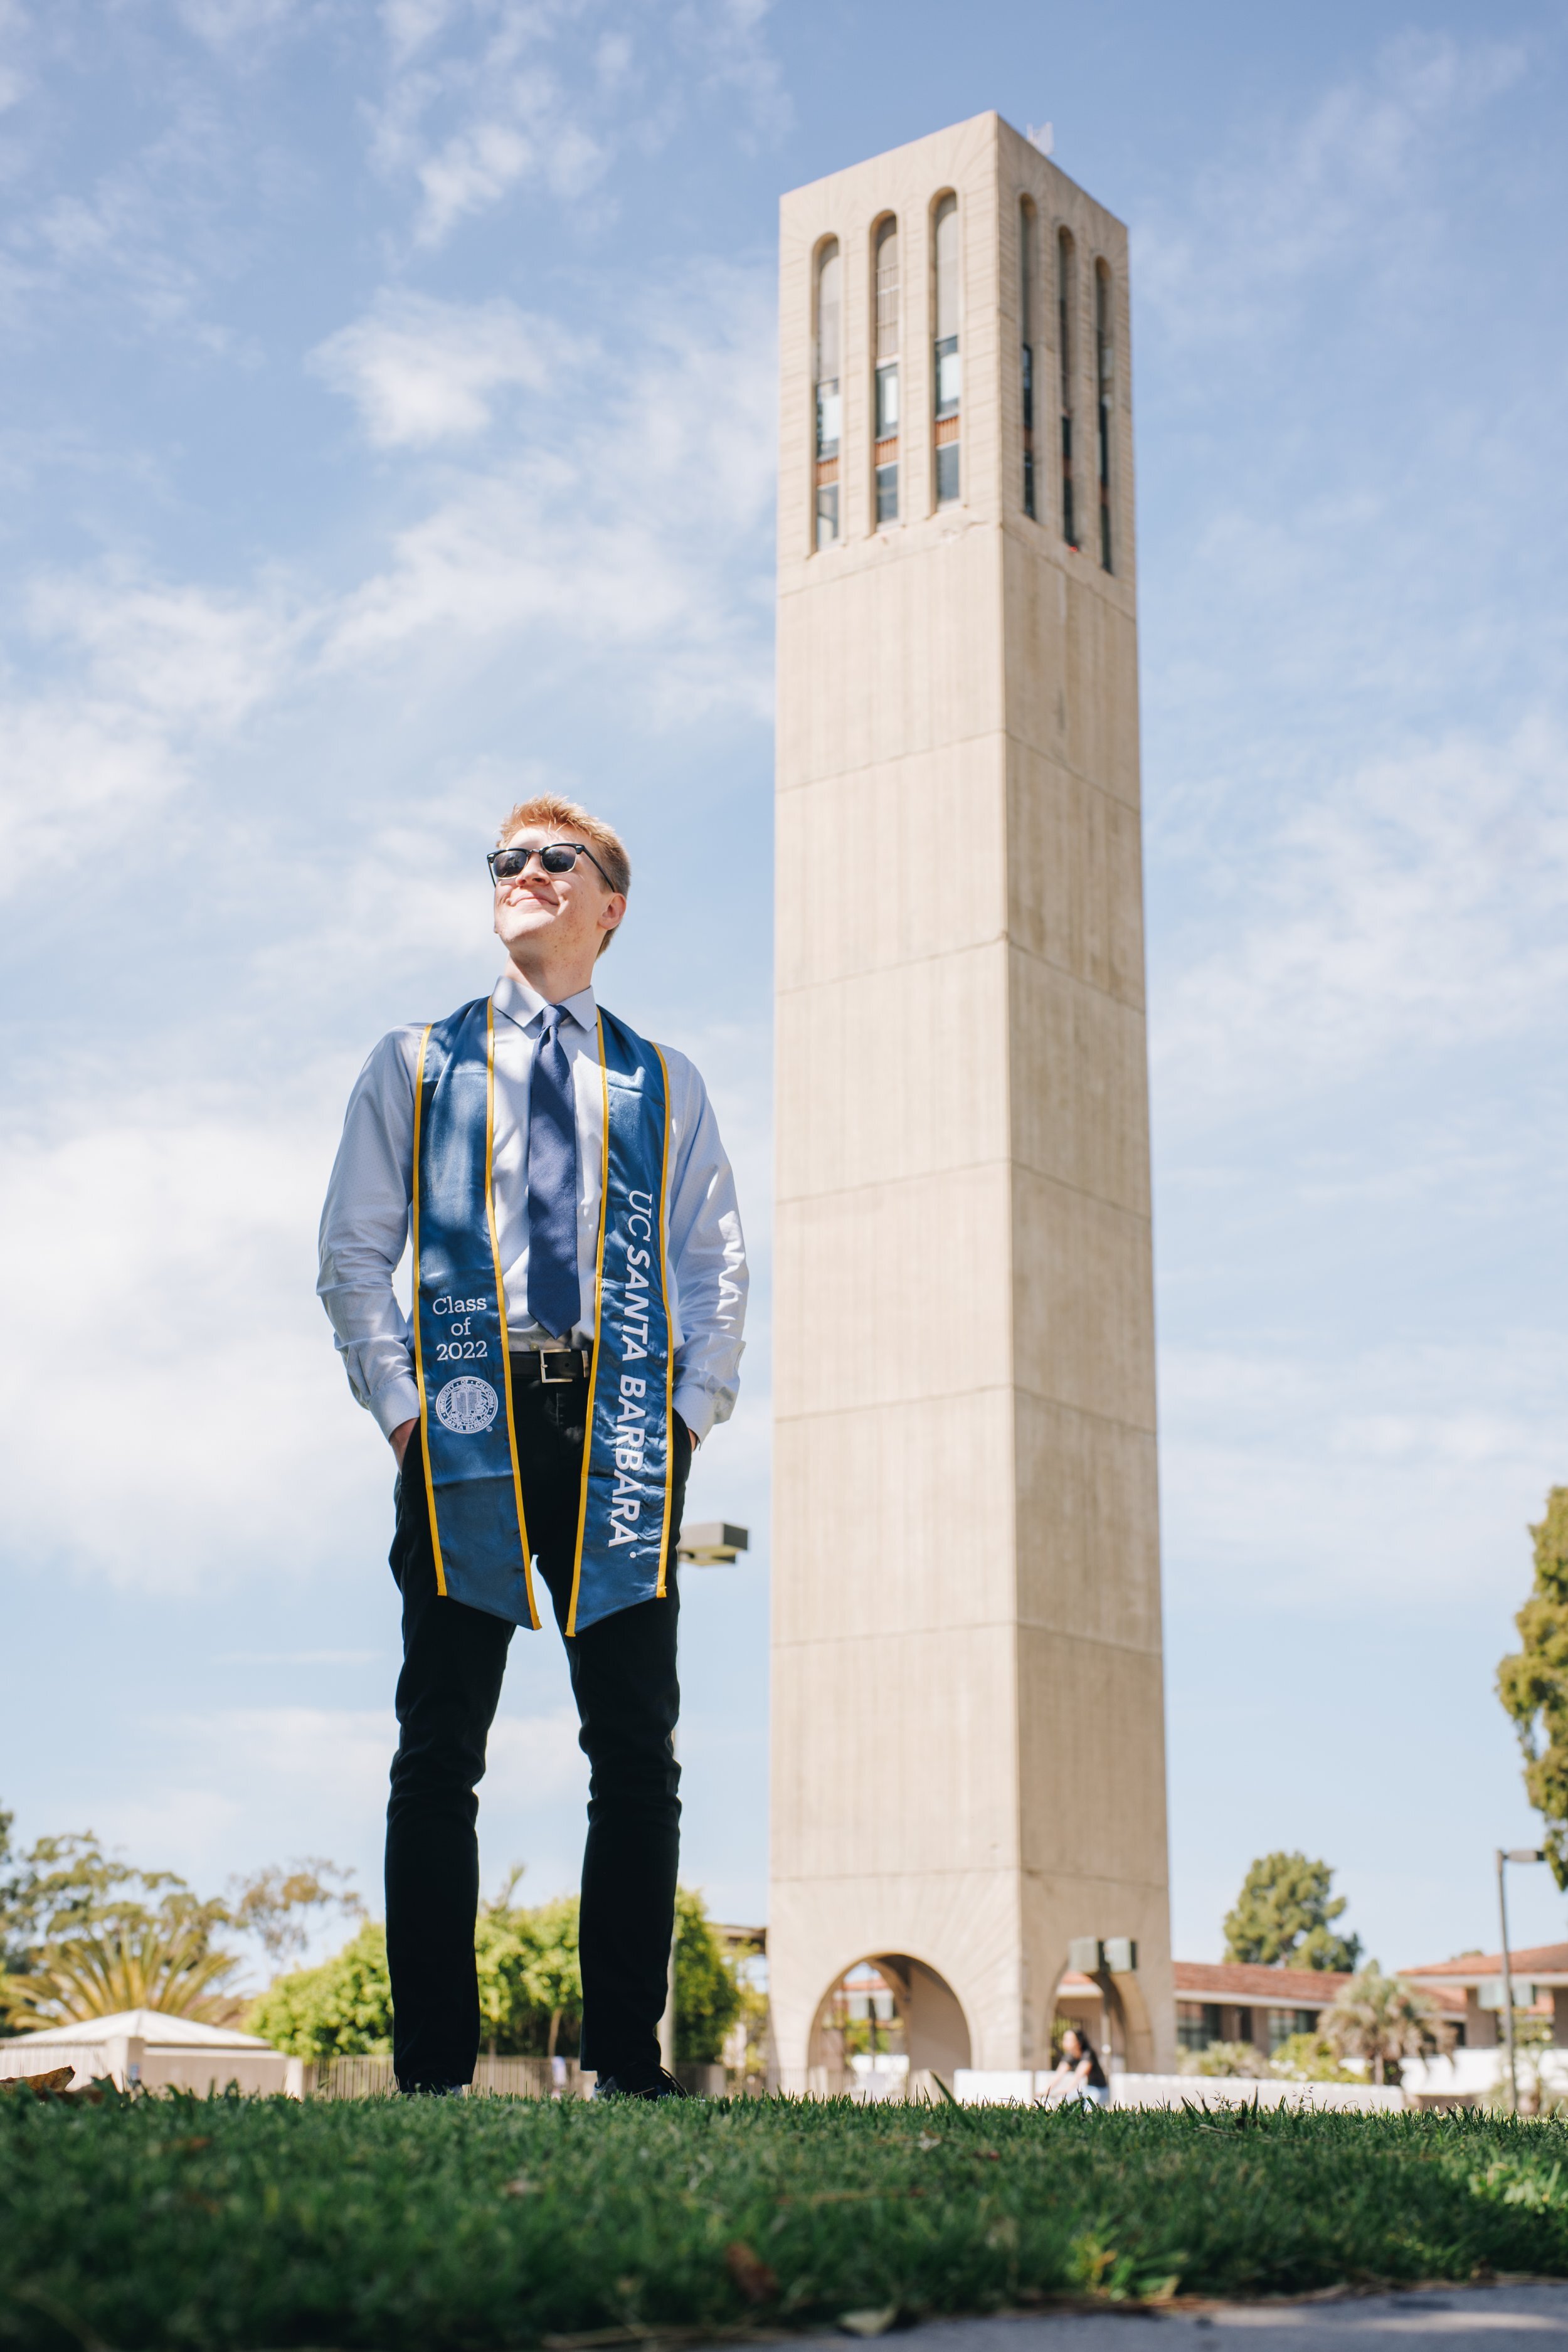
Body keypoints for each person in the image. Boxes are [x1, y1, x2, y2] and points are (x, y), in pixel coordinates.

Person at [318, 794, 747, 2098]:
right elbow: (351, 1256)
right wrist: (400, 1411)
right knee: (438, 1744)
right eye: (504, 861)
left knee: (634, 1749)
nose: (524, 875)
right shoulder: (414, 1060)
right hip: (461, 1423)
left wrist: (683, 1420)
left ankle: (627, 2063)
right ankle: (434, 2074)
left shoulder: (661, 1078)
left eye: (555, 861)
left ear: (607, 906)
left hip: (620, 1427)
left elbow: (711, 1262)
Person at [1039, 2023, 1110, 2107]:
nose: (1065, 2042)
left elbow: (1079, 2075)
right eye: (1065, 2039)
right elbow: (1059, 2074)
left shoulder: (1088, 2054)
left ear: (1079, 2042)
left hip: (1100, 2090)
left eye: (1069, 2040)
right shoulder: (1070, 2056)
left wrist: (1068, 2089)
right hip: (1088, 2088)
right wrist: (1047, 2091)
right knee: (1066, 2104)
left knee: (1089, 2110)